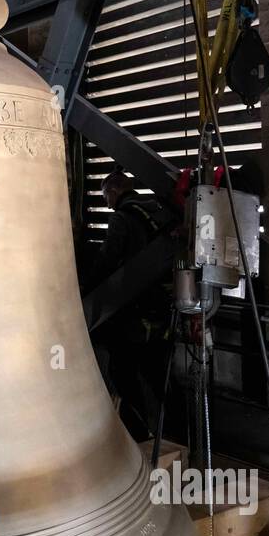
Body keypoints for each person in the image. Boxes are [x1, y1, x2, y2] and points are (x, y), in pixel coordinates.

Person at [88, 169, 173, 442]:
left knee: (122, 371)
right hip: (162, 308)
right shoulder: (157, 212)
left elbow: (107, 261)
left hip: (132, 312)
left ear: (113, 192)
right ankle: (181, 433)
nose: (106, 203)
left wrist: (86, 291)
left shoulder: (121, 219)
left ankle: (138, 435)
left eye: (105, 197)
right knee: (159, 374)